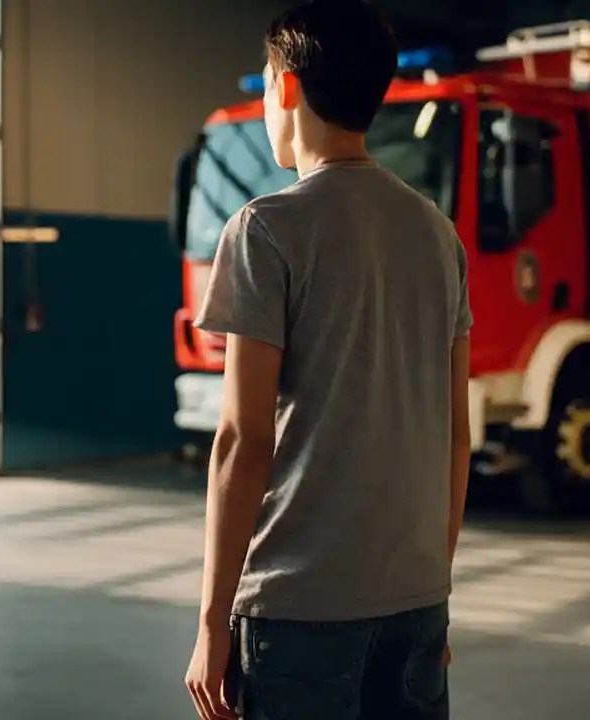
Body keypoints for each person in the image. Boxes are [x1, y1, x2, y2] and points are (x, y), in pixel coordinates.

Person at [182, 1, 473, 718]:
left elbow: (243, 440)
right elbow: (455, 436)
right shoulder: (439, 235)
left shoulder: (265, 229)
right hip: (416, 603)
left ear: (285, 86)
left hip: (299, 610)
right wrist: (434, 588)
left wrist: (212, 622)